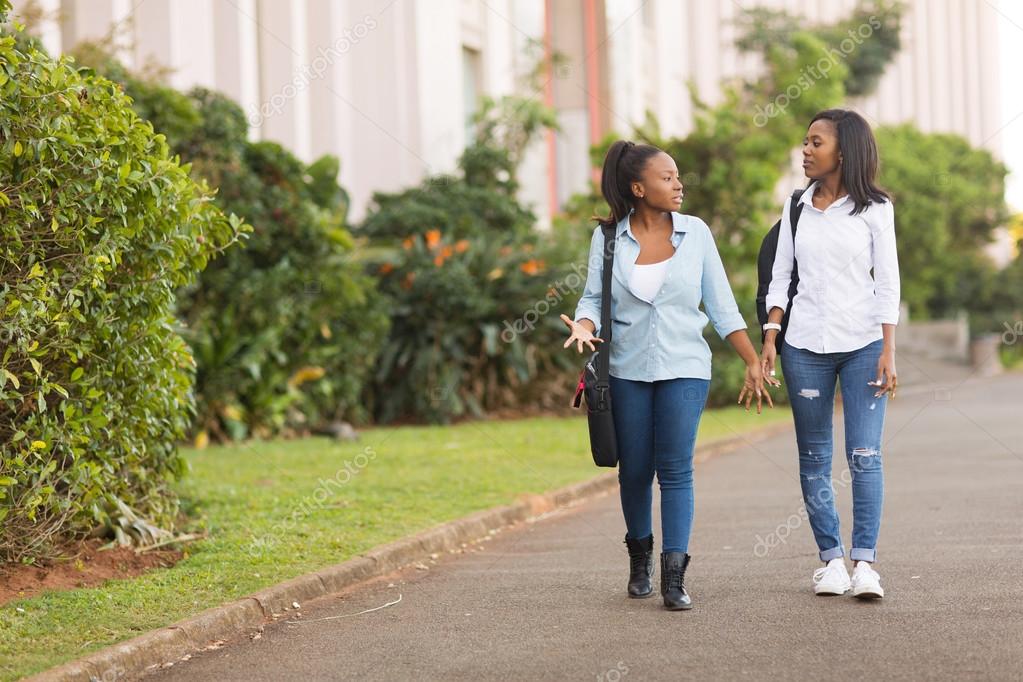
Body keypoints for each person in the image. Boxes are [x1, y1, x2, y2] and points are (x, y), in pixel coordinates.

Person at [560, 140, 776, 611]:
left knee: (676, 469)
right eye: (667, 177)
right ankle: (640, 557)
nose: (678, 184)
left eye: (678, 176)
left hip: (684, 367)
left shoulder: (695, 233)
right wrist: (584, 325)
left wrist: (751, 358)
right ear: (638, 188)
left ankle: (673, 577)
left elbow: (721, 306)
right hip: (627, 370)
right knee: (635, 470)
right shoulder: (610, 237)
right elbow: (592, 299)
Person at [760, 109, 900, 599]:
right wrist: (770, 338)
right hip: (804, 347)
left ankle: (865, 563)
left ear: (843, 151)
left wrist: (888, 350)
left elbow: (887, 283)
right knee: (814, 457)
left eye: (815, 142)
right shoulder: (796, 206)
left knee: (864, 455)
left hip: (863, 345)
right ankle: (832, 561)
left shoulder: (876, 209)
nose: (805, 150)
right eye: (805, 141)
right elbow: (781, 276)